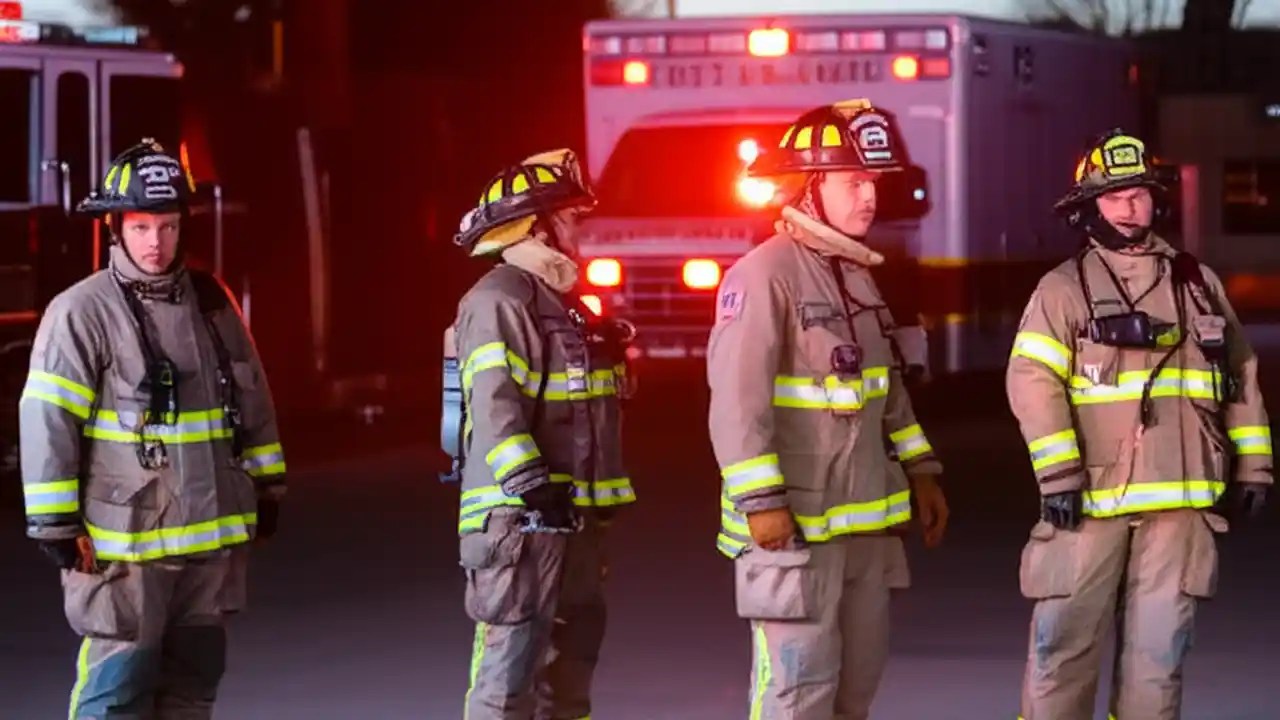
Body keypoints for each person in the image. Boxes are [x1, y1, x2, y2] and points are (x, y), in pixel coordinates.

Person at [18, 139, 286, 719]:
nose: (155, 242)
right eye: (140, 227)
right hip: (126, 552)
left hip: (207, 549)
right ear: (115, 228)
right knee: (116, 695)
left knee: (191, 694)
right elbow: (48, 420)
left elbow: (252, 400)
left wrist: (268, 487)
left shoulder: (212, 303)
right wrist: (55, 524)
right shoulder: (82, 311)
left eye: (167, 226)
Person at [1008, 130, 1271, 719]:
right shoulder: (1063, 290)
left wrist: (1254, 466)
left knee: (1159, 662)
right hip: (1090, 504)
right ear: (1089, 208)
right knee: (1062, 655)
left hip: (1179, 508)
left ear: (1157, 201)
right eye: (1114, 197)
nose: (1129, 208)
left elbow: (1239, 374)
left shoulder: (1197, 284)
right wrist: (1058, 476)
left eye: (1139, 195)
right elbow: (1030, 380)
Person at [706, 99, 950, 720]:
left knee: (855, 689)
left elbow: (885, 391)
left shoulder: (858, 278)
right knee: (798, 695)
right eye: (853, 182)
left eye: (872, 183)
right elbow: (737, 403)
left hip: (864, 526)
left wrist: (922, 472)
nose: (869, 196)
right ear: (808, 187)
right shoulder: (762, 276)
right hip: (795, 529)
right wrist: (761, 502)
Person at [448, 148, 637, 720]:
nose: (581, 229)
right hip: (519, 525)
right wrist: (530, 483)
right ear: (537, 225)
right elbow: (495, 403)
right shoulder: (498, 299)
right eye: (572, 217)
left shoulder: (561, 304)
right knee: (507, 687)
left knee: (568, 688)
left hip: (570, 521)